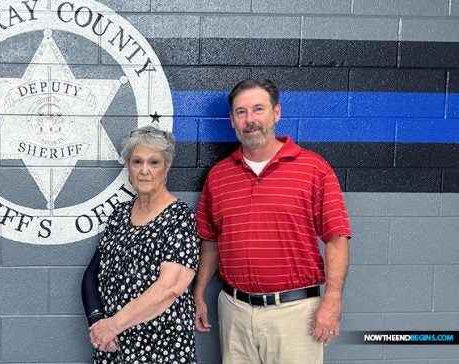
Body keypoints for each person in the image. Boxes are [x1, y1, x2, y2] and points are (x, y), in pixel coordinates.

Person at [193, 79, 351, 364]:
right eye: (241, 112)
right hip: (234, 311)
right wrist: (199, 292)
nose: (250, 120)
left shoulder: (313, 169)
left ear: (276, 113)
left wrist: (333, 300)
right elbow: (211, 240)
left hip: (294, 313)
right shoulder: (219, 176)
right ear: (232, 120)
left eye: (258, 110)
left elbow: (336, 238)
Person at [81, 125, 200, 363]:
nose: (144, 170)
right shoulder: (120, 214)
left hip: (161, 346)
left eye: (153, 163)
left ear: (166, 167)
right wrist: (98, 323)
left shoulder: (179, 217)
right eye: (137, 162)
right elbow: (92, 274)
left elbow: (170, 288)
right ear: (129, 167)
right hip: (112, 345)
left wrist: (113, 325)